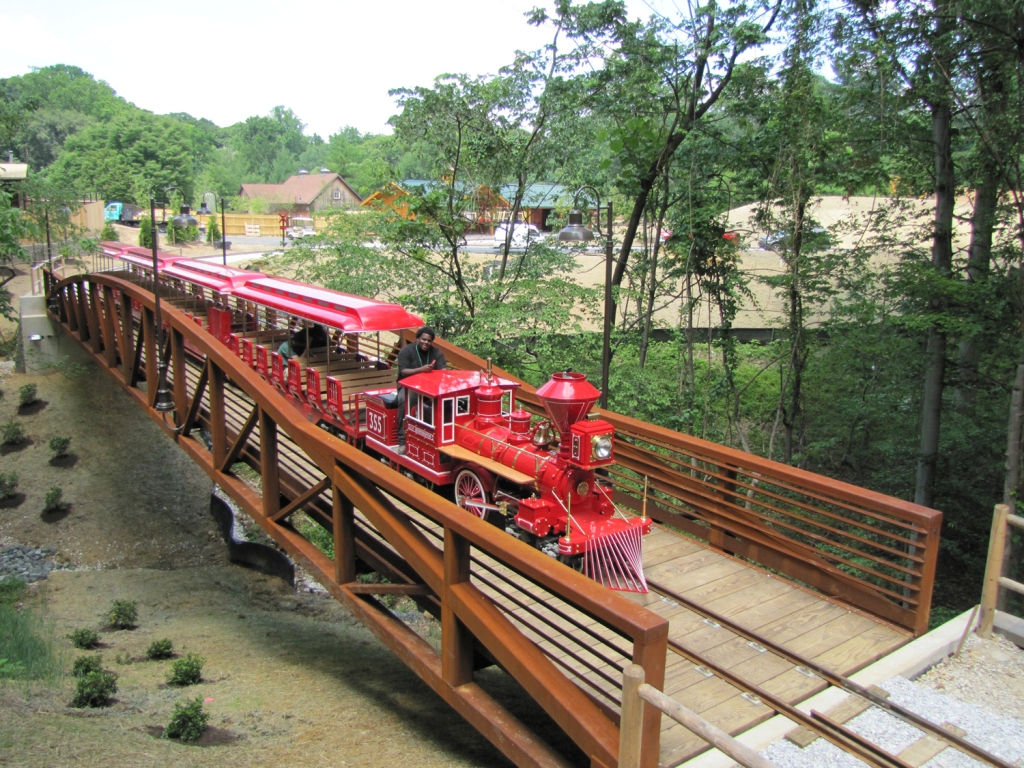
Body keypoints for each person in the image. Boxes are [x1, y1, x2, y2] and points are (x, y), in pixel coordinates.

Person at [395, 326, 447, 449]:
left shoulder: (436, 353)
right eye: (423, 339)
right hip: (408, 386)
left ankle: (437, 438)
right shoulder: (406, 351)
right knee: (404, 401)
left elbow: (443, 370)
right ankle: (402, 440)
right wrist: (421, 370)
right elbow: (403, 372)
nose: (426, 343)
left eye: (429, 341)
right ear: (417, 338)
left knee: (446, 402)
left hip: (429, 387)